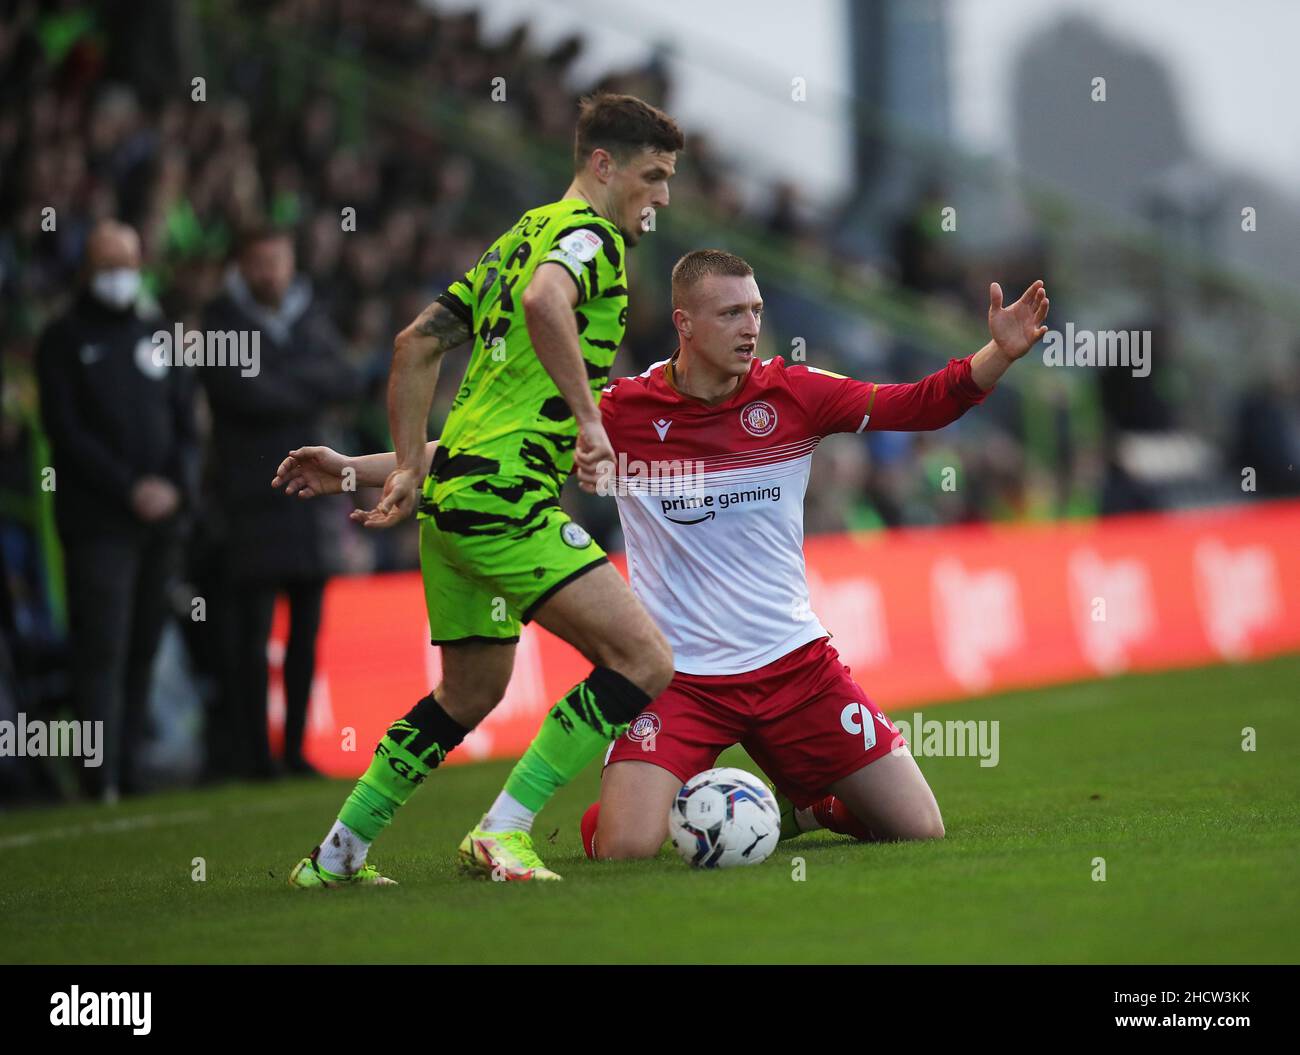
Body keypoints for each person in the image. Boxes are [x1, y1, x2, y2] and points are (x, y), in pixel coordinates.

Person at [274, 250, 1052, 865]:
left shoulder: (797, 394)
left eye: (755, 310)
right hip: (679, 680)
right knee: (623, 848)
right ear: (685, 322)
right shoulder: (623, 410)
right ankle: (683, 805)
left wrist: (998, 353)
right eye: (730, 313)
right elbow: (480, 454)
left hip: (793, 667)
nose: (750, 327)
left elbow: (919, 403)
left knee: (919, 830)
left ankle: (799, 806)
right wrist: (350, 467)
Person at [281, 93, 684, 888]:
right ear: (603, 166)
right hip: (504, 502)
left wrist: (385, 467)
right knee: (644, 658)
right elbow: (544, 304)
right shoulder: (590, 238)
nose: (664, 196)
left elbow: (417, 342)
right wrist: (586, 419)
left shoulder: (519, 238)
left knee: (471, 689)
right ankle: (503, 830)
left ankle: (335, 856)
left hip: (456, 496)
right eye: (654, 175)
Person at [35, 219, 198, 802]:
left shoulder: (161, 335)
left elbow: (186, 423)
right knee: (100, 646)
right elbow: (67, 434)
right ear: (87, 270)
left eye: (127, 263)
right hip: (100, 522)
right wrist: (130, 487)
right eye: (108, 265)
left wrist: (177, 488)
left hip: (161, 521)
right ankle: (95, 777)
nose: (119, 275)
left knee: (142, 648)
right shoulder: (63, 338)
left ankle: (127, 771)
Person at [200, 225, 358, 779]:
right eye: (261, 262)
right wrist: (301, 388)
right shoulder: (218, 320)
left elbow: (345, 377)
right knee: (249, 635)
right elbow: (243, 392)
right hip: (250, 501)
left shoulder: (310, 314)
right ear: (243, 266)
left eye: (279, 261)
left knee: (306, 632)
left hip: (308, 503)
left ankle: (293, 750)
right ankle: (251, 755)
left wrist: (282, 384)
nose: (272, 273)